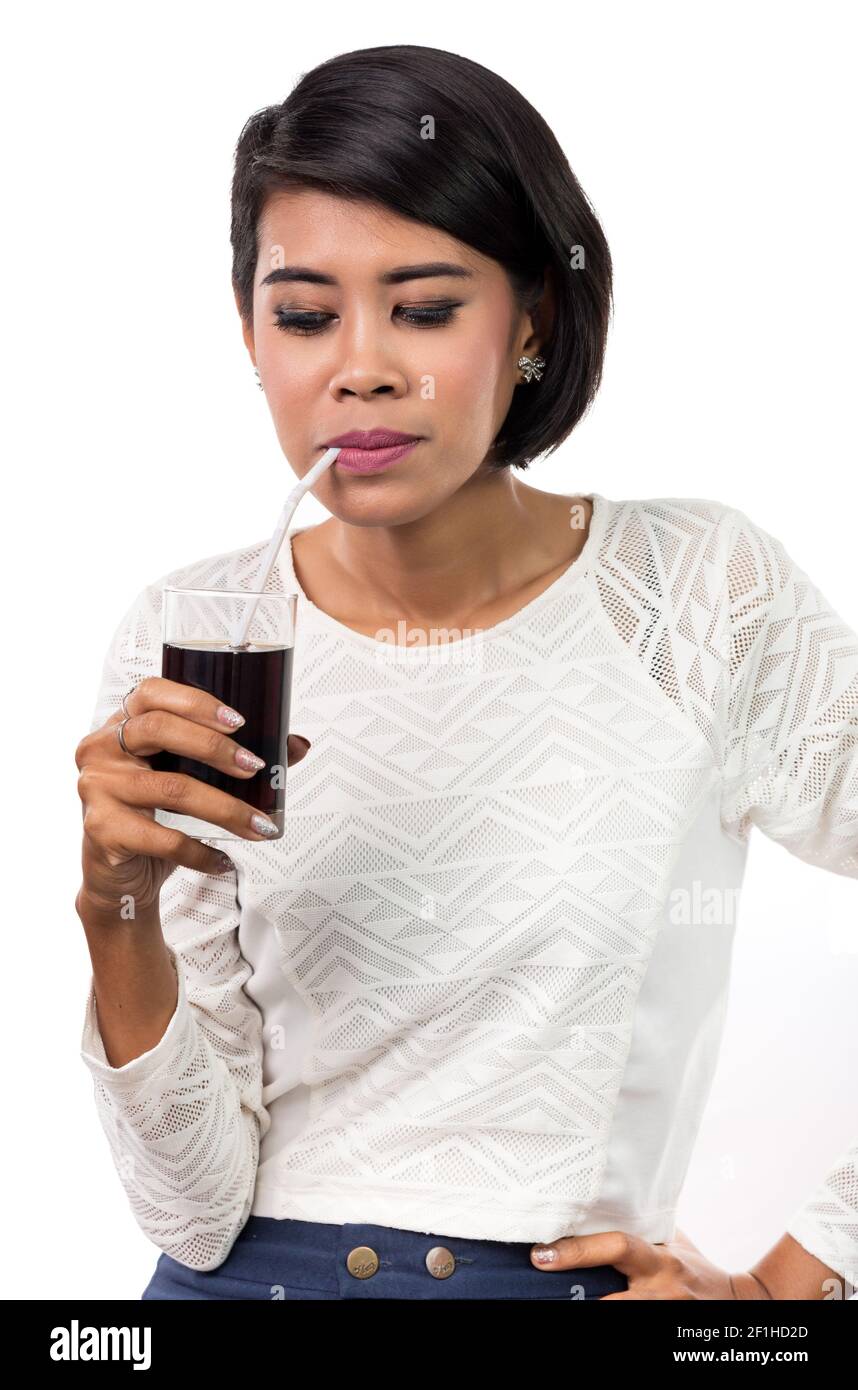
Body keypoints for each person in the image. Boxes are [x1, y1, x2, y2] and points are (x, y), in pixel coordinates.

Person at [74, 43, 858, 1302]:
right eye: (306, 313)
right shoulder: (192, 628)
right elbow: (192, 1206)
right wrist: (113, 905)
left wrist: (791, 1289)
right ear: (251, 335)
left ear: (535, 318)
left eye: (427, 307)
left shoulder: (699, 592)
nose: (363, 365)